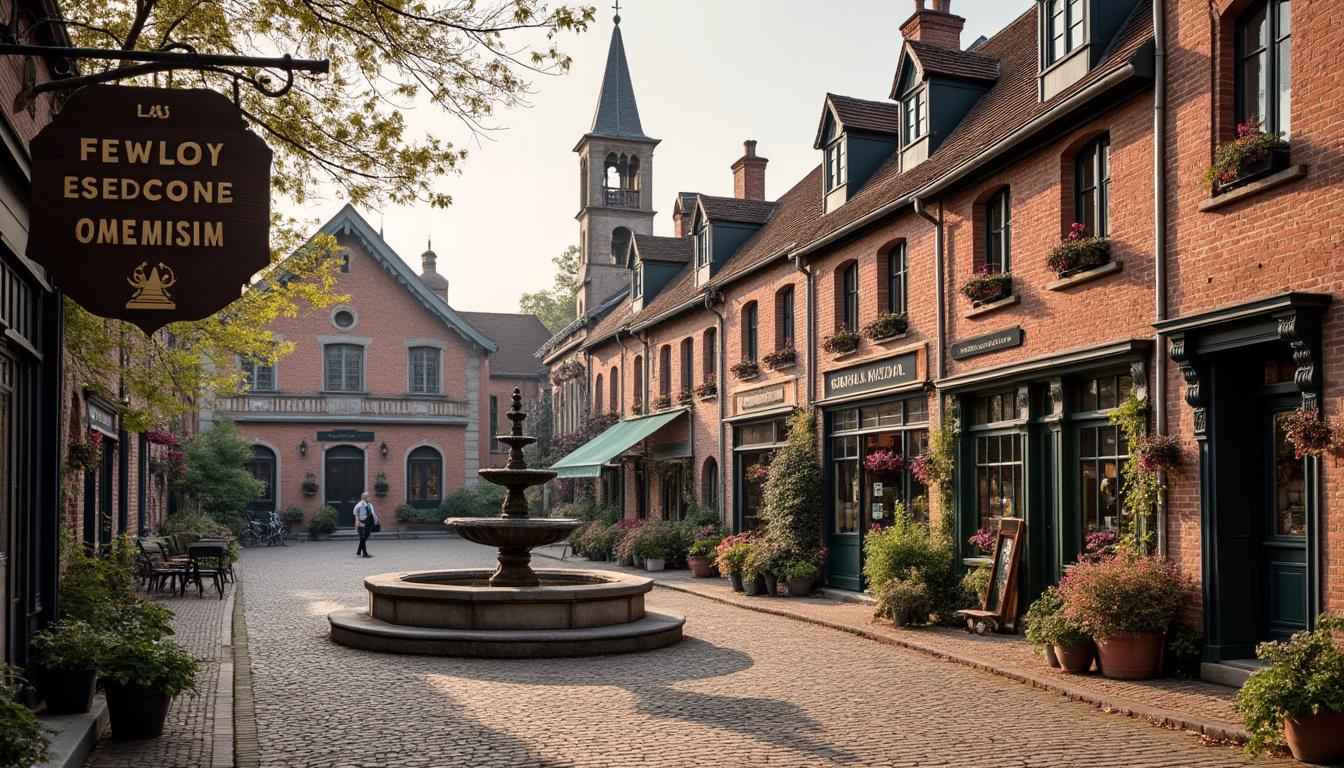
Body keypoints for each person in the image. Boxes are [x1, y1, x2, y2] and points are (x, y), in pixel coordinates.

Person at [354, 492, 378, 558]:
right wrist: (357, 520)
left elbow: (372, 513)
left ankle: (359, 551)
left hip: (368, 523)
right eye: (367, 496)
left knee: (366, 536)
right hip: (361, 522)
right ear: (364, 497)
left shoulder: (370, 505)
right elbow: (355, 512)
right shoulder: (360, 504)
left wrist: (376, 520)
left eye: (368, 496)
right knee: (363, 537)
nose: (369, 497)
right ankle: (365, 553)